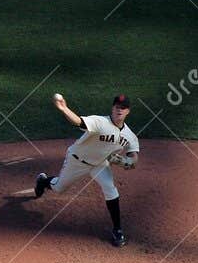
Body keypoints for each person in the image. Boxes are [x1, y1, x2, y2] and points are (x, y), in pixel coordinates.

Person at [33, 92, 139, 247]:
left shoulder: (130, 136)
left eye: (123, 108)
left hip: (99, 164)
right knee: (59, 187)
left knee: (110, 188)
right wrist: (64, 109)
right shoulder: (100, 122)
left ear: (128, 111)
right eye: (117, 107)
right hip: (77, 161)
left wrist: (126, 161)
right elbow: (79, 122)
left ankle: (117, 230)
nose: (119, 110)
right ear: (112, 108)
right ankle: (43, 181)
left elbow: (134, 158)